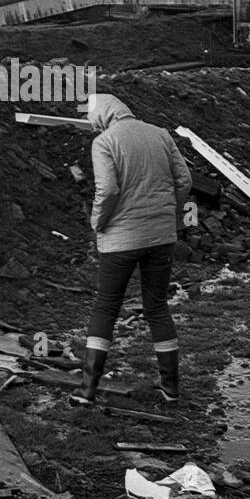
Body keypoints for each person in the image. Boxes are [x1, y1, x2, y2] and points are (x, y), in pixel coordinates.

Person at [70, 93, 193, 406]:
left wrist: (98, 222)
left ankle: (87, 391)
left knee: (106, 307)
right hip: (162, 237)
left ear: (102, 115)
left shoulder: (104, 142)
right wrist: (168, 211)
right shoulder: (160, 134)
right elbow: (184, 180)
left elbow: (108, 190)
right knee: (157, 307)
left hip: (120, 240)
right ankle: (171, 389)